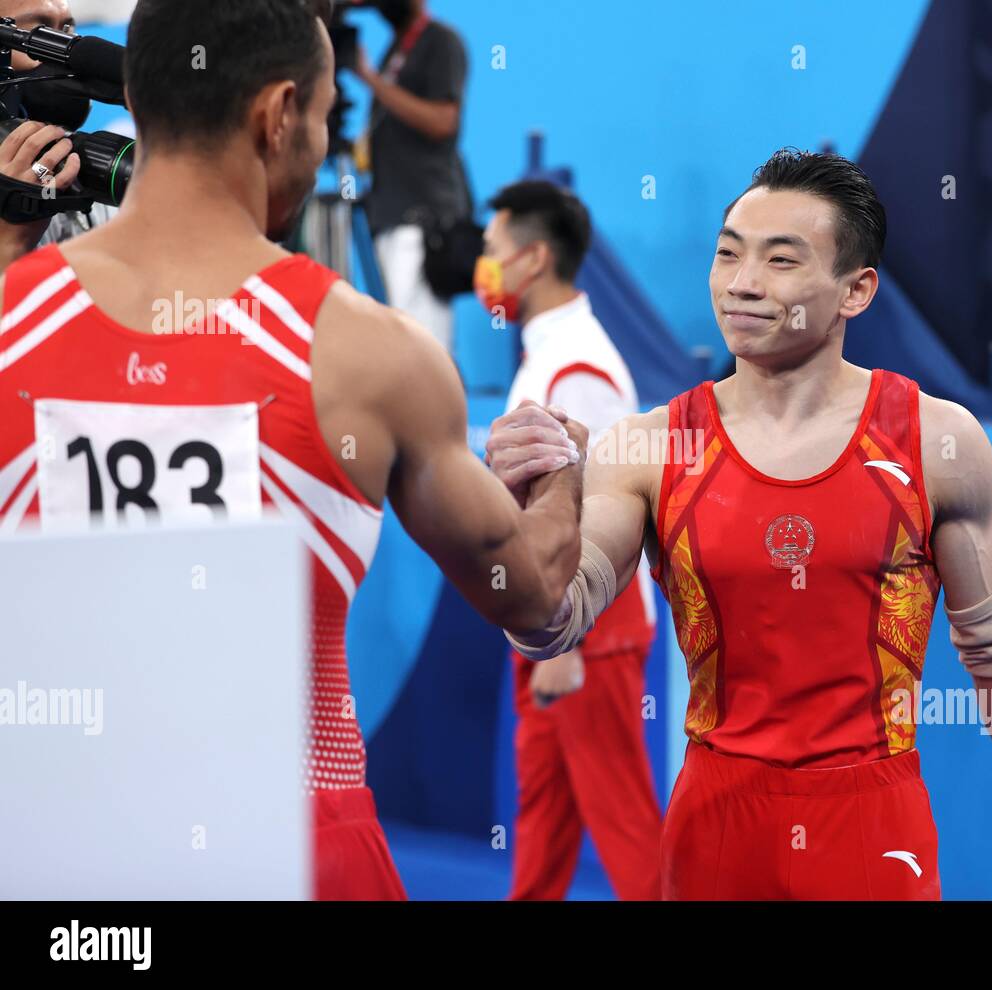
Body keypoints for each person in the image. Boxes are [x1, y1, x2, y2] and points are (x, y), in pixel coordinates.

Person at [0, 0, 584, 900]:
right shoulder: (372, 354)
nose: (318, 142)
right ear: (279, 116)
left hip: (53, 849)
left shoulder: (11, 320)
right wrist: (563, 480)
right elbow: (539, 602)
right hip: (294, 841)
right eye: (320, 115)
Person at [490, 149, 992, 900]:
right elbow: (550, 625)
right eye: (728, 254)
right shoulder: (648, 446)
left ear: (855, 291)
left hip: (873, 829)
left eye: (780, 260)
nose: (742, 283)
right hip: (715, 826)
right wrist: (541, 508)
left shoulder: (937, 444)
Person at [480, 180, 661, 901]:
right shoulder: (548, 350)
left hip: (589, 628)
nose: (485, 268)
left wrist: (571, 643)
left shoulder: (577, 363)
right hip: (551, 623)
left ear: (535, 259)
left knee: (625, 827)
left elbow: (595, 507)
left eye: (493, 252)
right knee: (544, 819)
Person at [355, 0, 470, 352]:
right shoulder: (396, 47)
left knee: (420, 345)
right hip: (389, 216)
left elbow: (443, 121)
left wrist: (369, 79)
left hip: (421, 221)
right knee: (396, 341)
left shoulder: (441, 41)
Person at [0, 0, 116, 273]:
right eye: (38, 34)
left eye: (67, 29)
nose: (67, 48)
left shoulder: (83, 165)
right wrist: (10, 241)